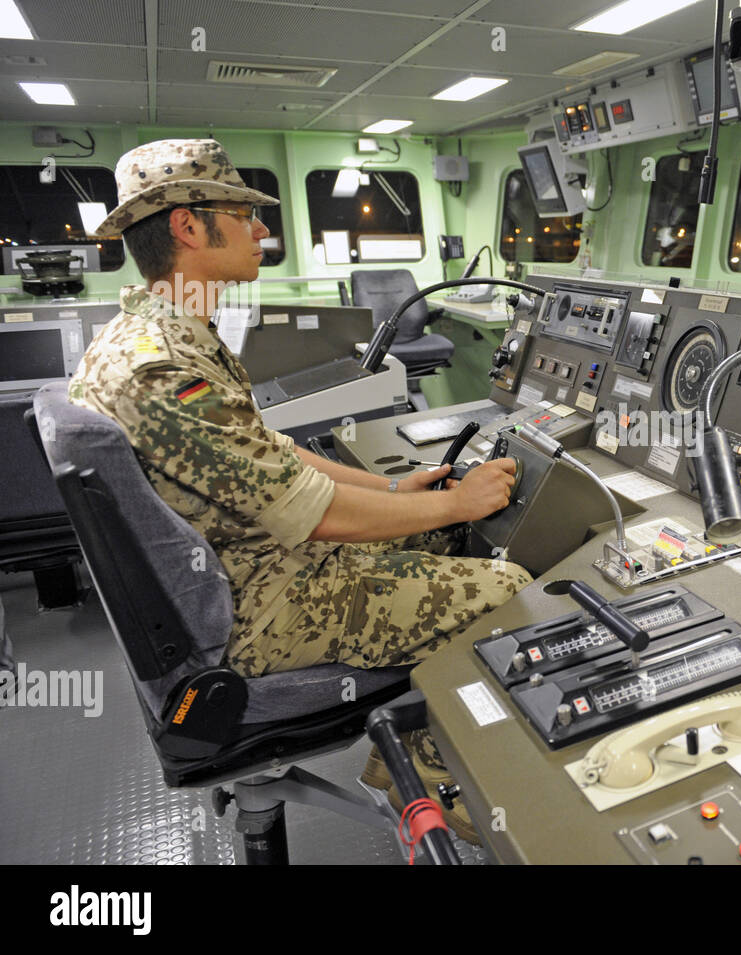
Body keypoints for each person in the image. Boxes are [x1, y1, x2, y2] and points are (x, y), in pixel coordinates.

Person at [67, 139, 531, 843]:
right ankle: (431, 770)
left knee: (436, 532)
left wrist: (393, 486)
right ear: (190, 228)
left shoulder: (156, 335)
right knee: (513, 589)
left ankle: (408, 739)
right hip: (258, 608)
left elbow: (274, 455)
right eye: (243, 215)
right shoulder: (161, 368)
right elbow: (307, 511)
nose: (263, 232)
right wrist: (456, 502)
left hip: (242, 566)